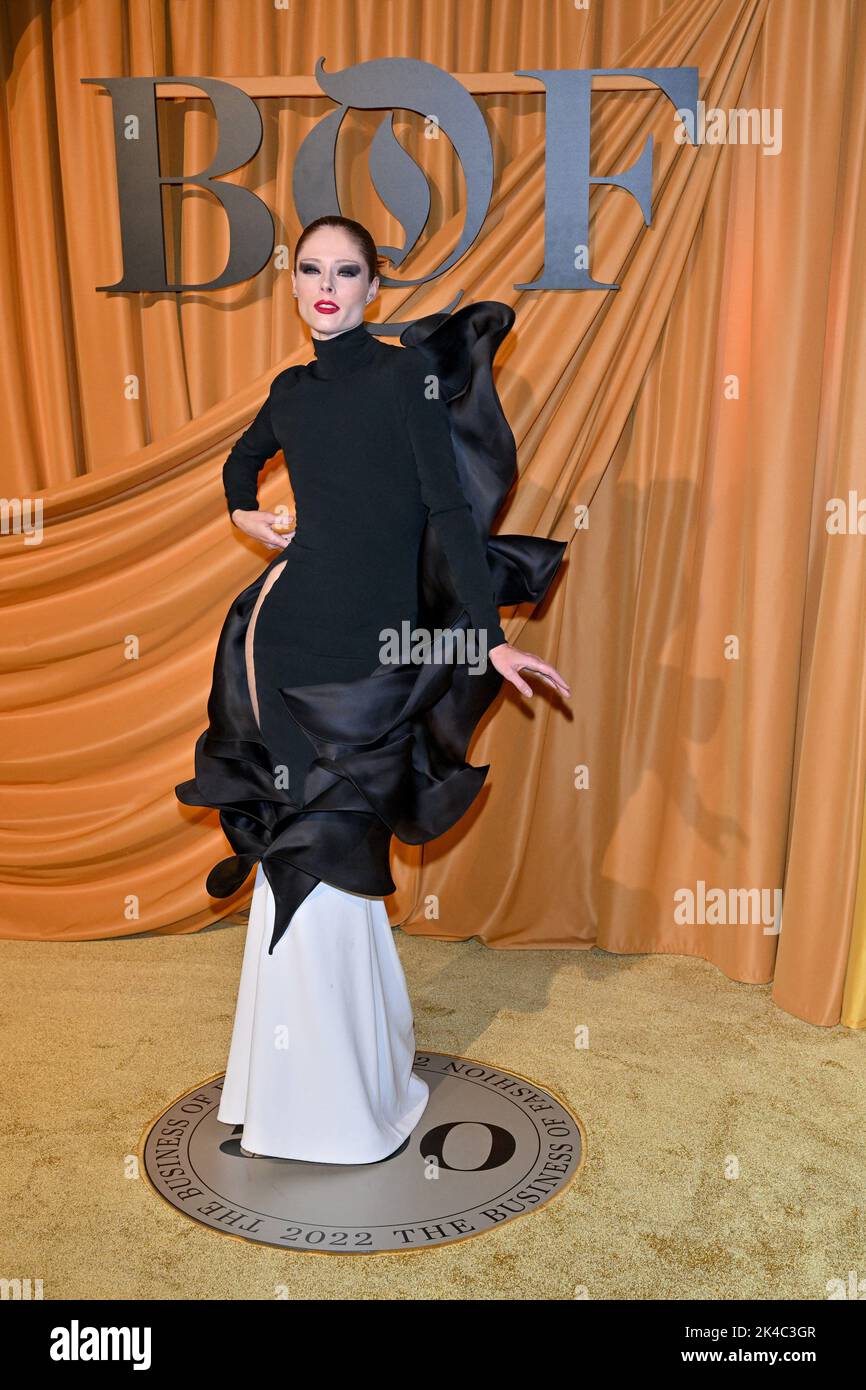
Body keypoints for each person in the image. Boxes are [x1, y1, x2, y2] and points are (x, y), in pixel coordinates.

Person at [175, 216, 570, 1164]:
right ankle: (291, 1092)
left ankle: (347, 1091)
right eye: (310, 269)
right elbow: (238, 461)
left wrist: (486, 643)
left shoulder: (403, 379)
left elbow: (444, 508)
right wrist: (249, 512)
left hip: (377, 654)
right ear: (295, 282)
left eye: (345, 271)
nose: (326, 286)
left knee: (338, 852)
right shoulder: (289, 392)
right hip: (289, 644)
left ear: (372, 288)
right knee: (293, 851)